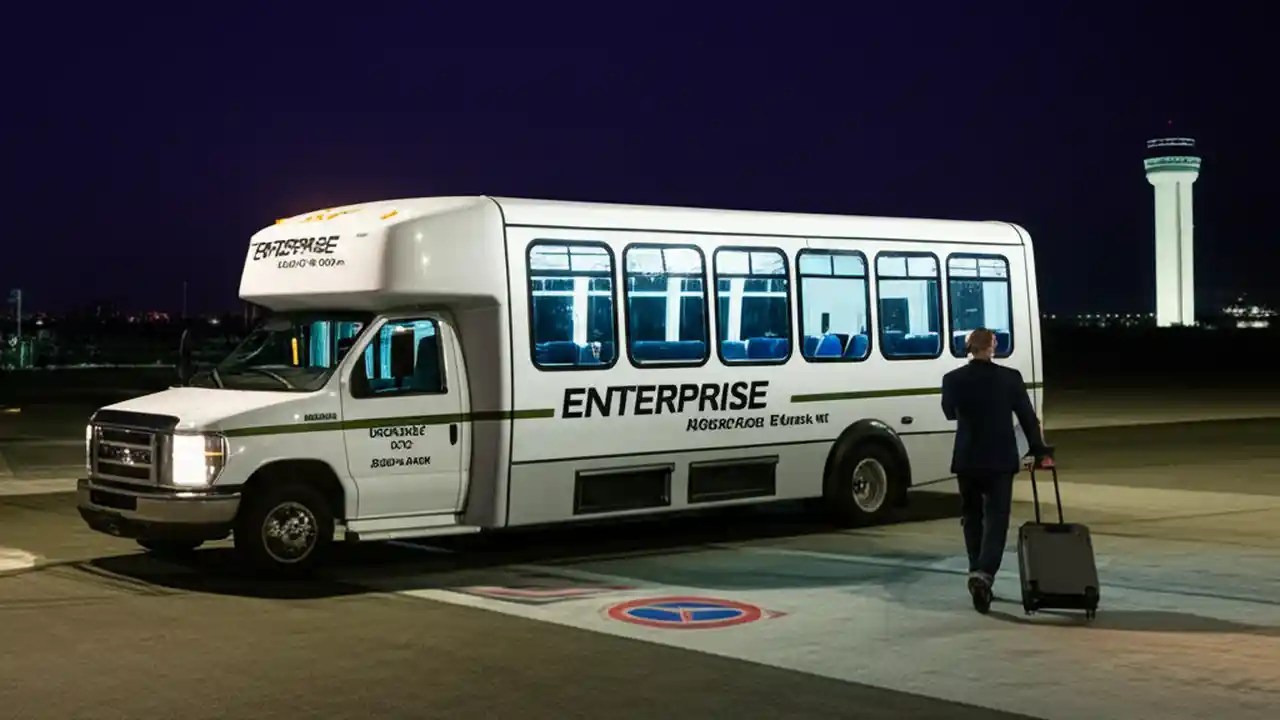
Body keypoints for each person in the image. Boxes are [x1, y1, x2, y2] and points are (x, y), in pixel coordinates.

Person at [941, 327, 1053, 614]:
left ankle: (975, 570)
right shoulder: (1010, 379)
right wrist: (1040, 451)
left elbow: (949, 412)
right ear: (993, 346)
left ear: (968, 347)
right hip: (999, 460)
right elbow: (1028, 419)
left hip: (966, 459)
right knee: (997, 519)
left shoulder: (952, 380)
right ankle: (984, 574)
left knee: (971, 517)